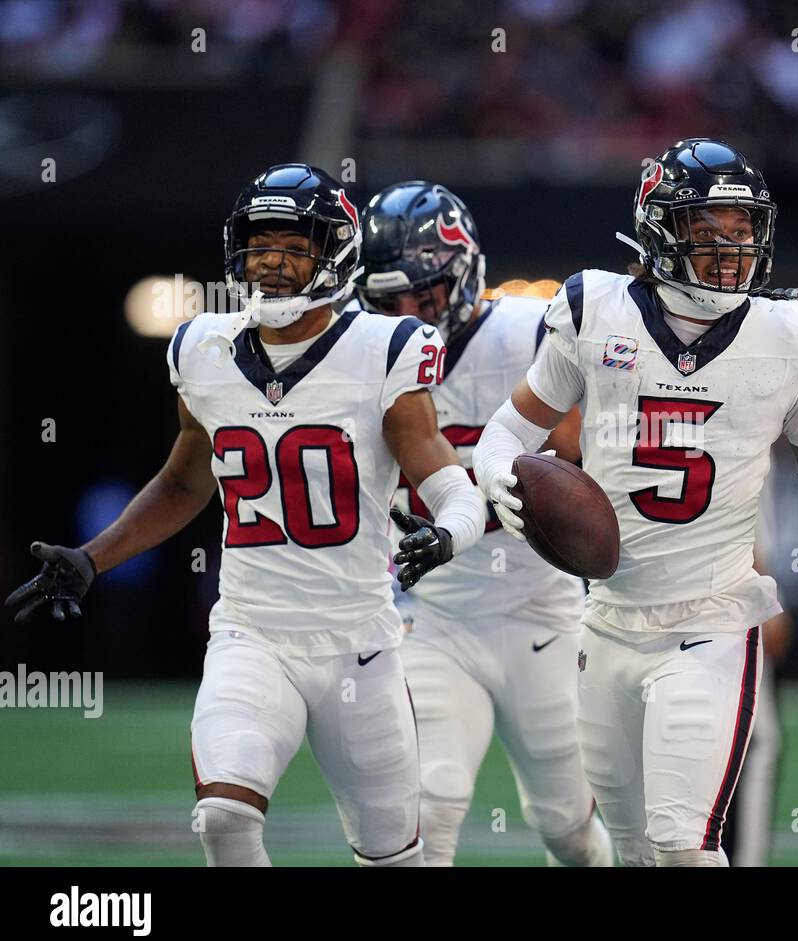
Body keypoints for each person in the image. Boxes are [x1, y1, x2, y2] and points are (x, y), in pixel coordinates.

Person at [6, 164, 486, 867]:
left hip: (360, 644)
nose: (272, 262)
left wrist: (451, 531)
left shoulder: (385, 348)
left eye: (294, 245)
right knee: (225, 819)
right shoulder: (202, 350)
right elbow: (181, 484)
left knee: (394, 859)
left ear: (337, 253)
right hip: (251, 634)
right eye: (260, 244)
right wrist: (92, 558)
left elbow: (445, 476)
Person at [473, 138, 798, 866]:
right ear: (660, 228)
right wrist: (497, 464)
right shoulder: (595, 308)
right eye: (707, 227)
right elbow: (510, 427)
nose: (730, 247)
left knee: (682, 845)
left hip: (712, 620)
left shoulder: (792, 333)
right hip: (607, 619)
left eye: (742, 228)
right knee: (630, 849)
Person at [357, 180, 611, 866]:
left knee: (567, 825)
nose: (409, 312)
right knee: (427, 808)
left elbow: (594, 453)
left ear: (463, 272)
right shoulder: (362, 356)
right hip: (431, 616)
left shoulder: (531, 332)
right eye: (390, 300)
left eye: (425, 293)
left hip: (541, 608)